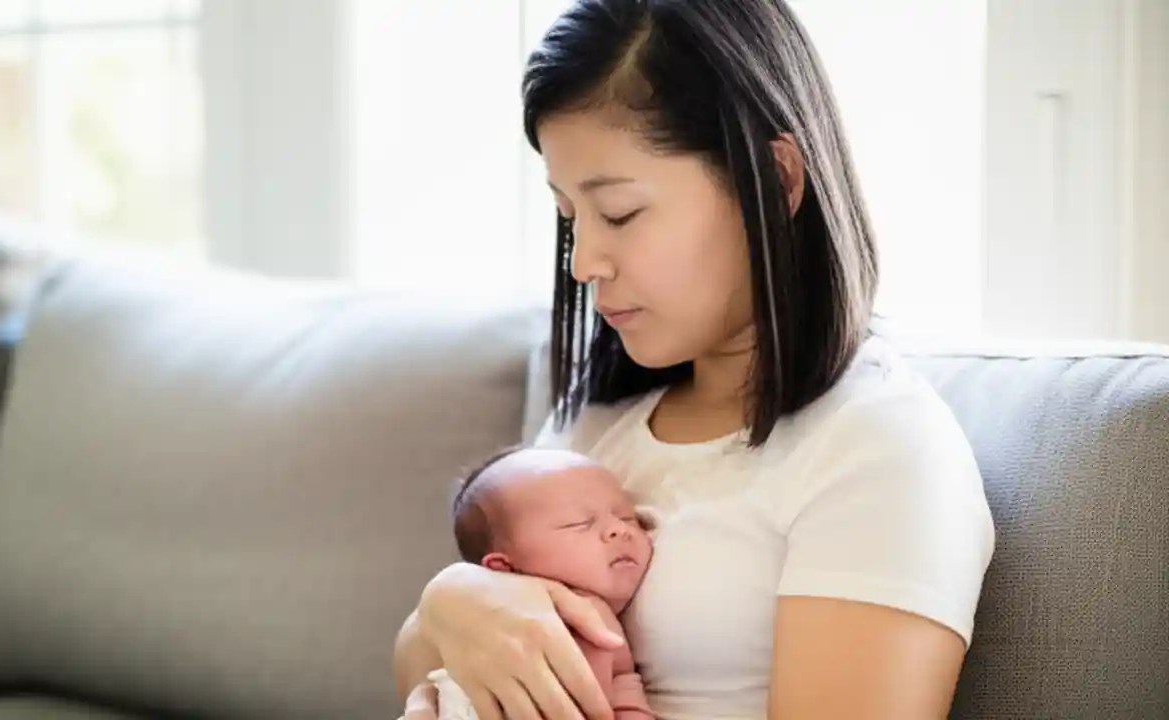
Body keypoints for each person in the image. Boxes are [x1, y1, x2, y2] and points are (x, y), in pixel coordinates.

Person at [394, 0, 996, 718]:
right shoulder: (597, 422)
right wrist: (450, 602)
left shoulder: (877, 450)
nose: (584, 262)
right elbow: (422, 673)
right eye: (568, 219)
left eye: (618, 213)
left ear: (774, 183)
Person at [429, 446, 655, 720]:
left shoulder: (606, 626)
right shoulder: (487, 622)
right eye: (579, 523)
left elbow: (625, 690)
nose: (619, 530)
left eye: (627, 517)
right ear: (503, 568)